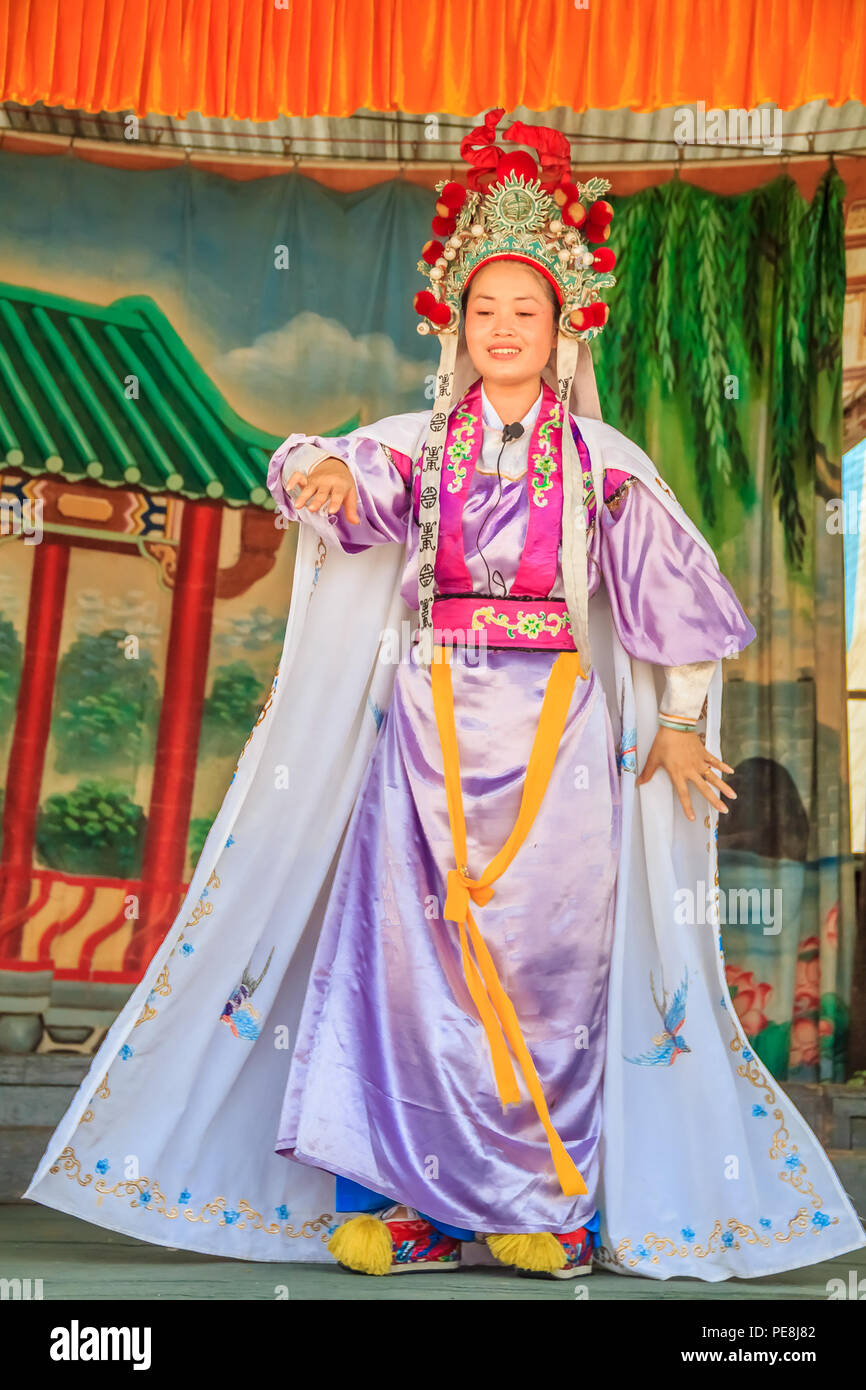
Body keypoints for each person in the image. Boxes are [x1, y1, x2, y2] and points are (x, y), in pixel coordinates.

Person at [23, 110, 866, 1283]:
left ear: (560, 326)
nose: (504, 328)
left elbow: (670, 604)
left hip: (557, 746)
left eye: (526, 311)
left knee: (546, 975)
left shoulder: (602, 465)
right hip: (421, 731)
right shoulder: (417, 444)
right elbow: (336, 479)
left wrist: (675, 727)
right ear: (457, 327)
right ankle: (397, 1200)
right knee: (400, 970)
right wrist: (312, 471)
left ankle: (542, 1206)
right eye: (485, 310)